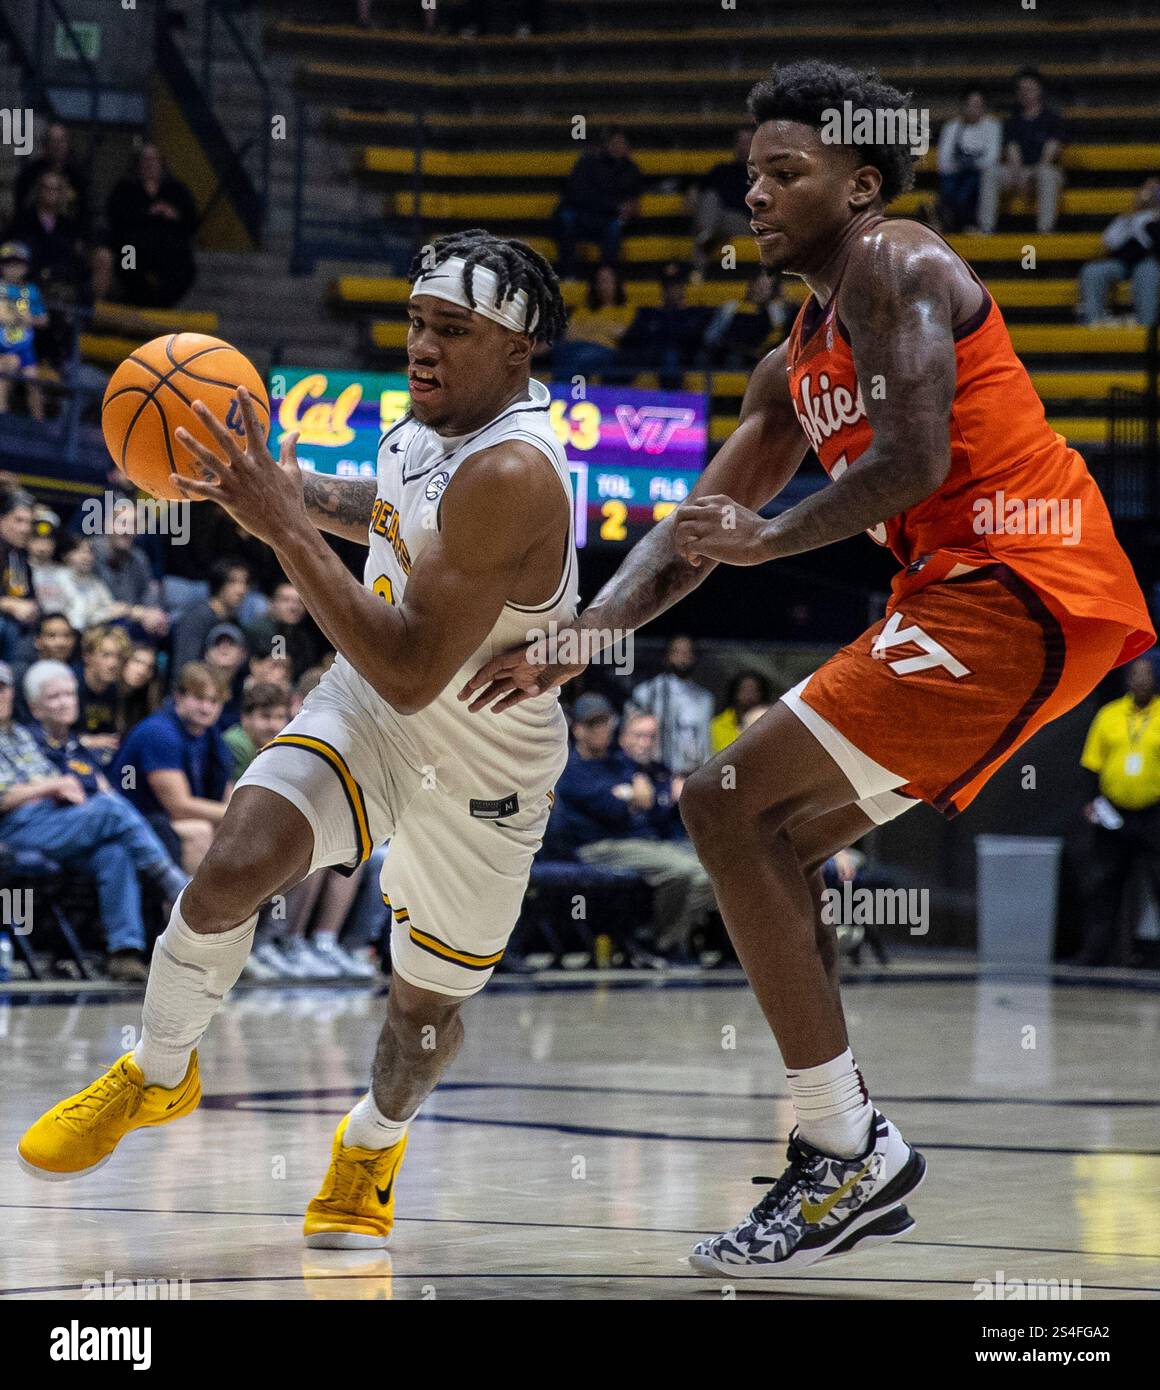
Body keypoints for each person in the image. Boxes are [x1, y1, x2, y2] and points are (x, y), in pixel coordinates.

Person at [464, 60, 1154, 1278]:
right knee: (762, 830)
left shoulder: (899, 264)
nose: (758, 195)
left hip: (1018, 580)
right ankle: (835, 1142)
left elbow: (911, 455)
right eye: (748, 178)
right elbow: (695, 535)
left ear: (862, 182)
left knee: (718, 798)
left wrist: (775, 538)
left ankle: (845, 1143)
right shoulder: (790, 362)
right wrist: (577, 641)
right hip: (1000, 606)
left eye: (786, 172)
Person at [18, 229, 581, 1262]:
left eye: (449, 330)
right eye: (414, 322)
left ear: (519, 347)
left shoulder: (513, 468)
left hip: (484, 763)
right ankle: (157, 1067)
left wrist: (282, 530)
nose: (420, 346)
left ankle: (371, 1144)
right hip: (369, 712)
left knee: (419, 1020)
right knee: (234, 859)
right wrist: (275, 492)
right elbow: (394, 521)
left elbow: (417, 664)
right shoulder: (424, 429)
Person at [1, 659, 188, 982]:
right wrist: (52, 785)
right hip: (15, 827)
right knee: (110, 809)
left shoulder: (19, 735)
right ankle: (175, 886)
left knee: (114, 852)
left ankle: (124, 952)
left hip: (53, 820)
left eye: (2, 688)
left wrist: (62, 788)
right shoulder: (29, 734)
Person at [558, 696, 715, 957]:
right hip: (599, 846)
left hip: (640, 841)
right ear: (578, 729)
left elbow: (652, 800)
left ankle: (657, 937)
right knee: (686, 871)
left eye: (605, 722)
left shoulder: (618, 763)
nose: (601, 729)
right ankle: (663, 944)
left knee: (713, 870)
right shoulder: (571, 768)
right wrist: (633, 796)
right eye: (593, 723)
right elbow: (613, 810)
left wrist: (630, 794)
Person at [1074, 658, 1160, 966]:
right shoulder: (1108, 715)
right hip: (1113, 815)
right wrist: (1091, 801)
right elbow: (1091, 764)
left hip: (1153, 816)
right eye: (1135, 675)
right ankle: (1096, 952)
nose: (1140, 681)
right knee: (1104, 885)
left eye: (1146, 675)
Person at [111, 660, 233, 874]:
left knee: (242, 832)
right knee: (200, 831)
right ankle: (187, 908)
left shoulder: (210, 733)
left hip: (167, 820)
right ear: (179, 696)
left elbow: (227, 788)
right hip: (135, 821)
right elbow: (179, 806)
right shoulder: (159, 732)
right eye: (199, 698)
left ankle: (248, 908)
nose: (207, 708)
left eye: (214, 701)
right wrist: (238, 814)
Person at [105, 144, 198, 308]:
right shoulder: (125, 189)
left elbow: (191, 220)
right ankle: (137, 301)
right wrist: (146, 212)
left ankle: (163, 304)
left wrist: (173, 213)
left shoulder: (176, 189)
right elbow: (116, 217)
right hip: (132, 245)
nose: (150, 164)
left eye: (154, 159)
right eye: (145, 159)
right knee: (128, 261)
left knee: (183, 264)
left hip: (167, 245)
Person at [978, 68, 1066, 235]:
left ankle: (1045, 230)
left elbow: (1051, 151)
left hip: (1044, 169)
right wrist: (1020, 176)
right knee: (990, 173)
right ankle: (985, 228)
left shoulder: (1053, 119)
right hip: (1019, 170)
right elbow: (1012, 151)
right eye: (1021, 89)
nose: (1025, 93)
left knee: (1046, 174)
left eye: (1029, 89)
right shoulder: (1013, 121)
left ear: (1039, 90)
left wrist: (1033, 174)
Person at [552, 127, 642, 280]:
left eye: (622, 143)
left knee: (615, 227)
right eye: (615, 142)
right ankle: (568, 272)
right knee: (566, 218)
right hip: (583, 213)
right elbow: (577, 193)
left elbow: (632, 199)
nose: (618, 146)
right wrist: (612, 206)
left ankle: (608, 276)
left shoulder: (631, 170)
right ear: (607, 144)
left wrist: (627, 208)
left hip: (606, 218)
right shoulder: (588, 162)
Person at [1077, 177, 1160, 329]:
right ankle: (1094, 321)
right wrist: (1130, 219)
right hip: (1121, 262)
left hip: (1148, 261)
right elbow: (1108, 243)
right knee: (1092, 271)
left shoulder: (1155, 218)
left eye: (1155, 191)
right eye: (1146, 190)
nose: (1149, 194)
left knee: (1148, 273)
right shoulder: (1125, 218)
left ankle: (1146, 327)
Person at [615, 263, 712, 390]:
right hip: (649, 357)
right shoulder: (648, 313)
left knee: (669, 357)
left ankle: (671, 401)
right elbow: (631, 338)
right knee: (621, 358)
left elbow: (699, 340)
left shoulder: (694, 313)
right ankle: (611, 400)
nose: (671, 290)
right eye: (667, 286)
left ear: (682, 287)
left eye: (675, 286)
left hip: (682, 359)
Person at [630, 633, 714, 778]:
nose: (683, 657)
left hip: (692, 772)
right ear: (667, 656)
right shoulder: (647, 692)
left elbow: (705, 739)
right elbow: (633, 736)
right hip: (655, 772)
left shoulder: (705, 698)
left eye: (687, 652)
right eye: (677, 652)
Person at [91, 498, 171, 640]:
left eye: (134, 525)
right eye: (122, 523)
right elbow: (92, 605)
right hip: (97, 626)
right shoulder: (90, 553)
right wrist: (135, 612)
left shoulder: (139, 557)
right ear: (106, 525)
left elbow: (150, 595)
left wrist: (153, 614)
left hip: (130, 627)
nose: (127, 530)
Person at [691, 126, 755, 278]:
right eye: (740, 142)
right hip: (715, 222)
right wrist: (692, 194)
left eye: (747, 142)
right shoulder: (722, 170)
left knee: (720, 219)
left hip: (742, 222)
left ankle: (704, 241)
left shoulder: (760, 174)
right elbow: (696, 190)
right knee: (710, 197)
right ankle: (698, 272)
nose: (743, 146)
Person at [551, 263, 632, 382]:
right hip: (575, 347)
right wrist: (602, 328)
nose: (602, 285)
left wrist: (586, 328)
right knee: (561, 352)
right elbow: (569, 333)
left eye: (607, 280)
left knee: (581, 357)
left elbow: (620, 333)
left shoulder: (626, 308)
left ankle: (564, 394)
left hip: (605, 350)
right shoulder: (584, 309)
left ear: (617, 283)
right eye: (599, 281)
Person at [169, 558, 251, 675]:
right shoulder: (197, 618)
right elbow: (185, 668)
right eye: (233, 582)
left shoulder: (235, 622)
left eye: (245, 583)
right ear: (219, 583)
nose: (242, 590)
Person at [936, 90, 1002, 234]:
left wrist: (971, 164)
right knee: (949, 185)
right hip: (954, 174)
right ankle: (951, 224)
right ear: (963, 106)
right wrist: (961, 165)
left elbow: (992, 158)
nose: (973, 109)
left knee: (969, 186)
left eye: (977, 105)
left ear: (984, 107)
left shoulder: (992, 126)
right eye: (969, 105)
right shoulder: (952, 127)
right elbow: (943, 161)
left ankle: (967, 224)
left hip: (978, 175)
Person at [0, 241, 48, 420]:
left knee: (33, 381)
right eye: (8, 263)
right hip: (2, 348)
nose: (12, 268)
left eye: (17, 263)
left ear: (26, 266)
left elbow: (43, 320)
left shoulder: (31, 291)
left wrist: (29, 319)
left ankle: (39, 423)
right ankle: (2, 418)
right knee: (5, 370)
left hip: (25, 349)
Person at [241, 581, 322, 681]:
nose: (294, 607)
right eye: (286, 600)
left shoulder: (306, 638)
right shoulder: (259, 630)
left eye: (300, 602)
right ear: (273, 603)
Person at [74, 625, 130, 765]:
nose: (113, 663)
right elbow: (51, 736)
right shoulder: (70, 684)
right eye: (106, 655)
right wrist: (88, 741)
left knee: (131, 772)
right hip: (73, 753)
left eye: (119, 657)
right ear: (87, 656)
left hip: (101, 754)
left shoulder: (114, 689)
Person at [0, 489, 38, 662]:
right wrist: (9, 605)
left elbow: (28, 596)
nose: (26, 529)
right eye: (18, 521)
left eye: (30, 523)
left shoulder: (20, 555)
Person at [710, 669, 773, 753]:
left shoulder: (770, 726)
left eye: (754, 690)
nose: (749, 695)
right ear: (734, 692)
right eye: (744, 689)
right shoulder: (716, 725)